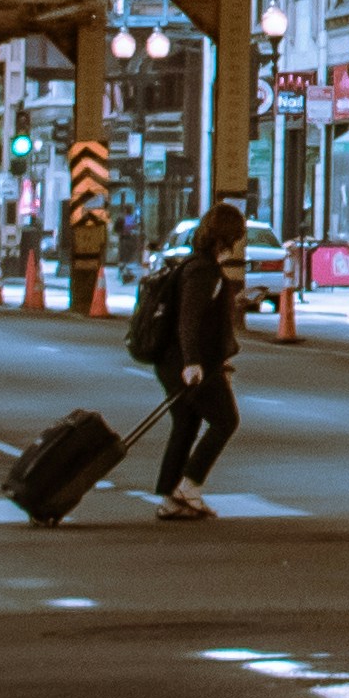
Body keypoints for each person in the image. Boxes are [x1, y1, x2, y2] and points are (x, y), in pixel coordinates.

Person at [145, 200, 248, 519]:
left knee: (186, 425)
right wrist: (192, 363)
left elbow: (203, 322)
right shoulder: (203, 271)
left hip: (177, 361)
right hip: (188, 363)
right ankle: (187, 488)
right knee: (225, 421)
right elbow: (189, 320)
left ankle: (170, 498)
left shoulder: (196, 265)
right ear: (226, 237)